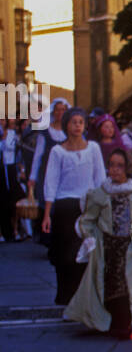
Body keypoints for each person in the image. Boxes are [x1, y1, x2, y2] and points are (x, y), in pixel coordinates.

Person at [65, 147, 132, 339]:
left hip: (128, 248)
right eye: (112, 165)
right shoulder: (99, 194)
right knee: (106, 283)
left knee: (127, 283)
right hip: (106, 246)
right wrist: (89, 238)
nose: (115, 170)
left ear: (127, 168)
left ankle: (124, 324)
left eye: (120, 166)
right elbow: (88, 219)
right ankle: (109, 322)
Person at [42, 107, 105, 304]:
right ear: (66, 126)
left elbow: (99, 178)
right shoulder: (58, 151)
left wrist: (102, 206)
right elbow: (51, 182)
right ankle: (66, 297)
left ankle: (85, 298)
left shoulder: (93, 148)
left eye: (80, 122)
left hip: (87, 205)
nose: (77, 126)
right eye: (73, 122)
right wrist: (47, 214)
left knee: (87, 252)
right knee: (65, 255)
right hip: (64, 206)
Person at [27, 97, 70, 247]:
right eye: (58, 109)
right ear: (53, 111)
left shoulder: (71, 131)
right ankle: (49, 238)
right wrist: (32, 177)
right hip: (47, 174)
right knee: (48, 205)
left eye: (63, 110)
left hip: (66, 175)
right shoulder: (45, 131)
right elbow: (38, 155)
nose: (60, 113)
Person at [0, 119, 25, 243]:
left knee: (13, 198)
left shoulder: (11, 134)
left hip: (10, 167)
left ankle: (14, 230)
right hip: (2, 167)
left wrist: (4, 138)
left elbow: (10, 148)